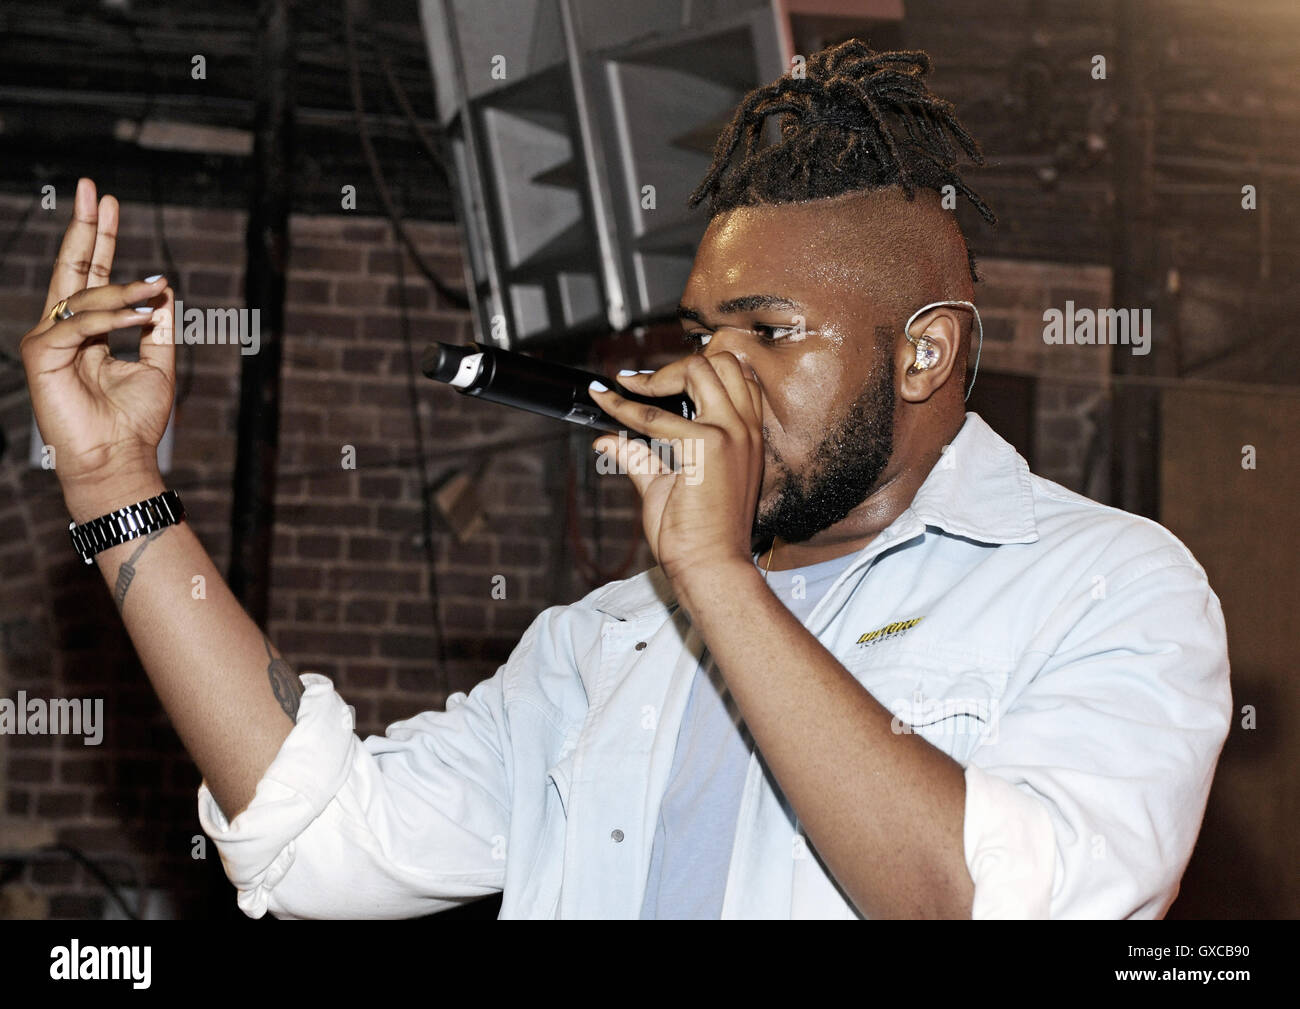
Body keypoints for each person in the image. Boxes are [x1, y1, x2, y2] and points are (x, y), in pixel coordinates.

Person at [19, 40, 1230, 919]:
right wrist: (115, 483)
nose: (712, 373)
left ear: (925, 351)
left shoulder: (1104, 587)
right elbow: (331, 841)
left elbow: (985, 901)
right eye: (703, 333)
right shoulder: (605, 641)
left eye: (767, 332)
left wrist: (710, 571)